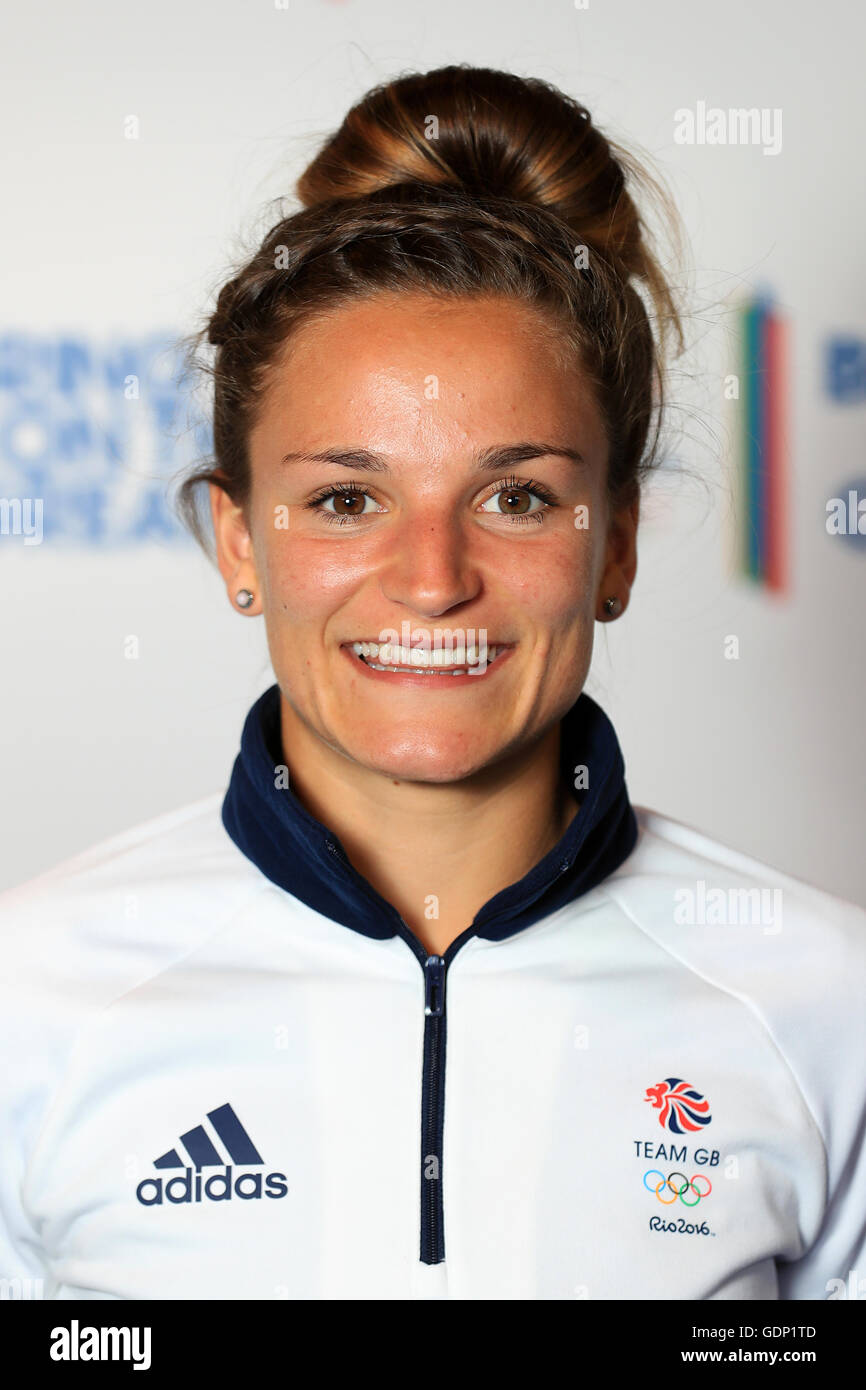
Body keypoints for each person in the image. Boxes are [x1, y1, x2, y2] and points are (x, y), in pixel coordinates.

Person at [1, 64, 864, 1302]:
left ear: (612, 544)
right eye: (346, 498)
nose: (431, 578)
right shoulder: (28, 992)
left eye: (516, 498)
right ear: (241, 543)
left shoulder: (825, 1001)